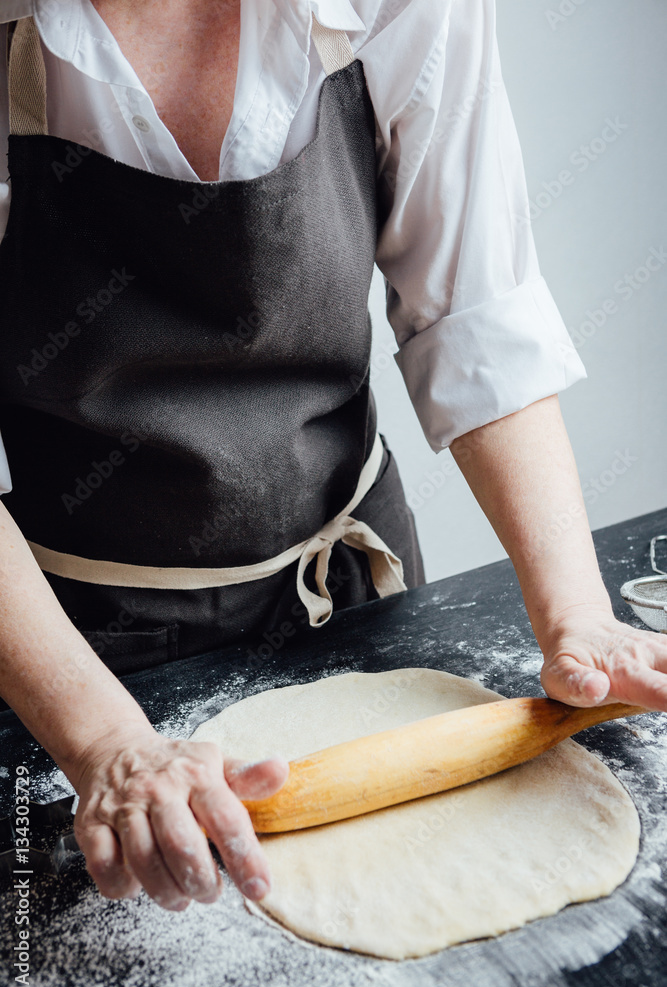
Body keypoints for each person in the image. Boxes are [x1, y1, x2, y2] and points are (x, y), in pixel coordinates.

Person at [0, 0, 665, 916]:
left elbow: (473, 307)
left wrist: (578, 621)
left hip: (350, 576)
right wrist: (109, 746)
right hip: (70, 642)